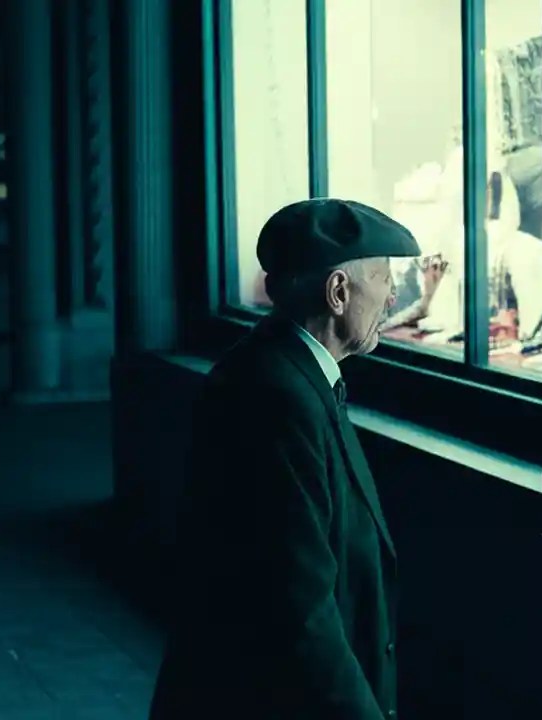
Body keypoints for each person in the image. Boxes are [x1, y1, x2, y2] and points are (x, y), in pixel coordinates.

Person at [147, 198, 420, 719]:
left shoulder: (283, 373)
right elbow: (298, 603)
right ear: (339, 292)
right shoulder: (277, 396)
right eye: (384, 280)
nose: (391, 299)